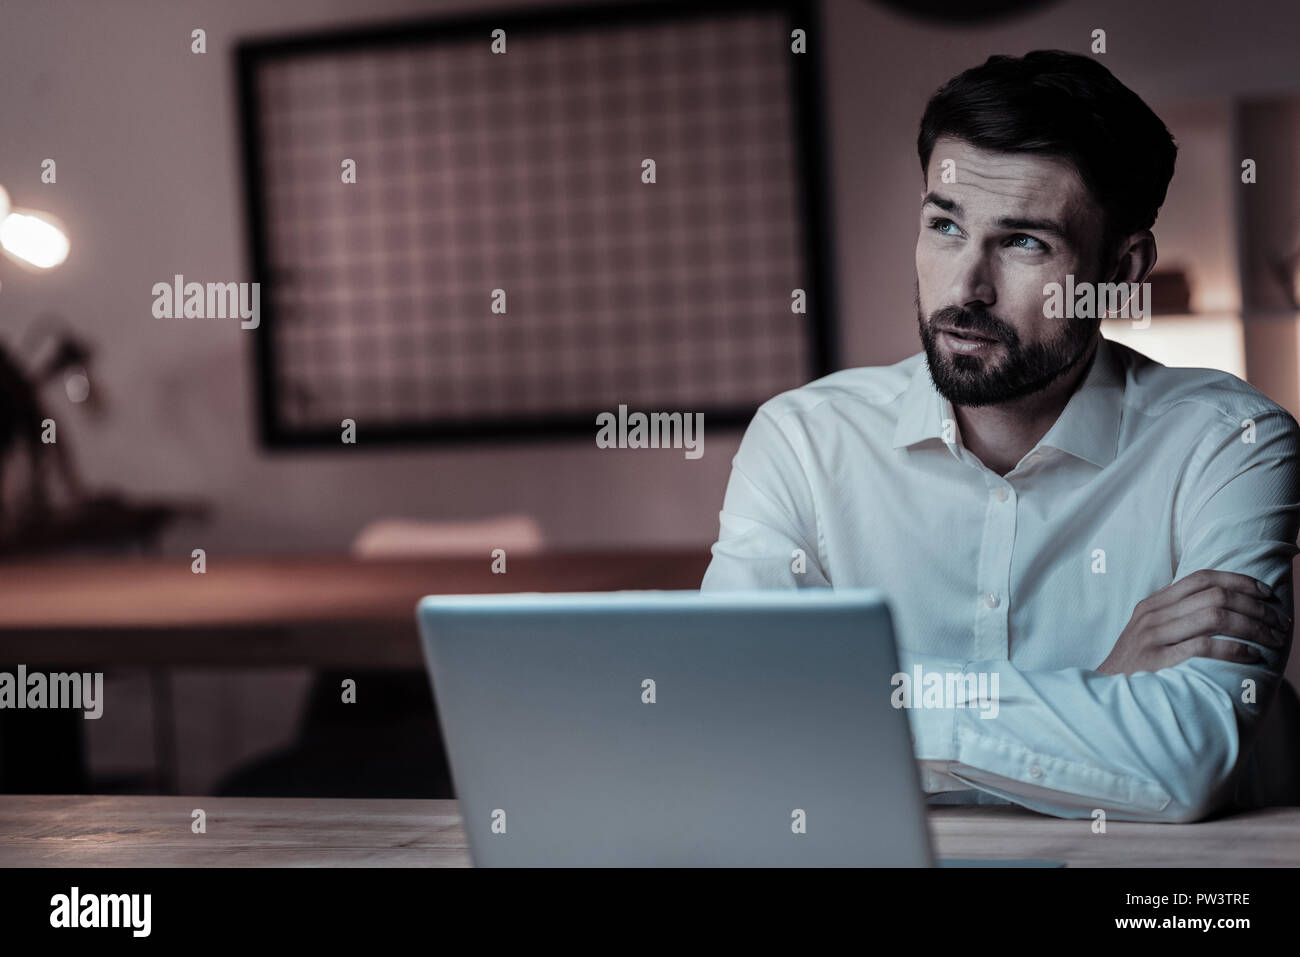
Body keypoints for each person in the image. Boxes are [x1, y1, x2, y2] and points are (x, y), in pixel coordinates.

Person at [700, 50, 1300, 822]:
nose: (964, 288)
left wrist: (848, 700)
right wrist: (1102, 689)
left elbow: (1185, 760)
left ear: (1121, 270)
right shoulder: (804, 442)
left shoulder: (1232, 443)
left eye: (1024, 243)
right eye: (945, 225)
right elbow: (727, 713)